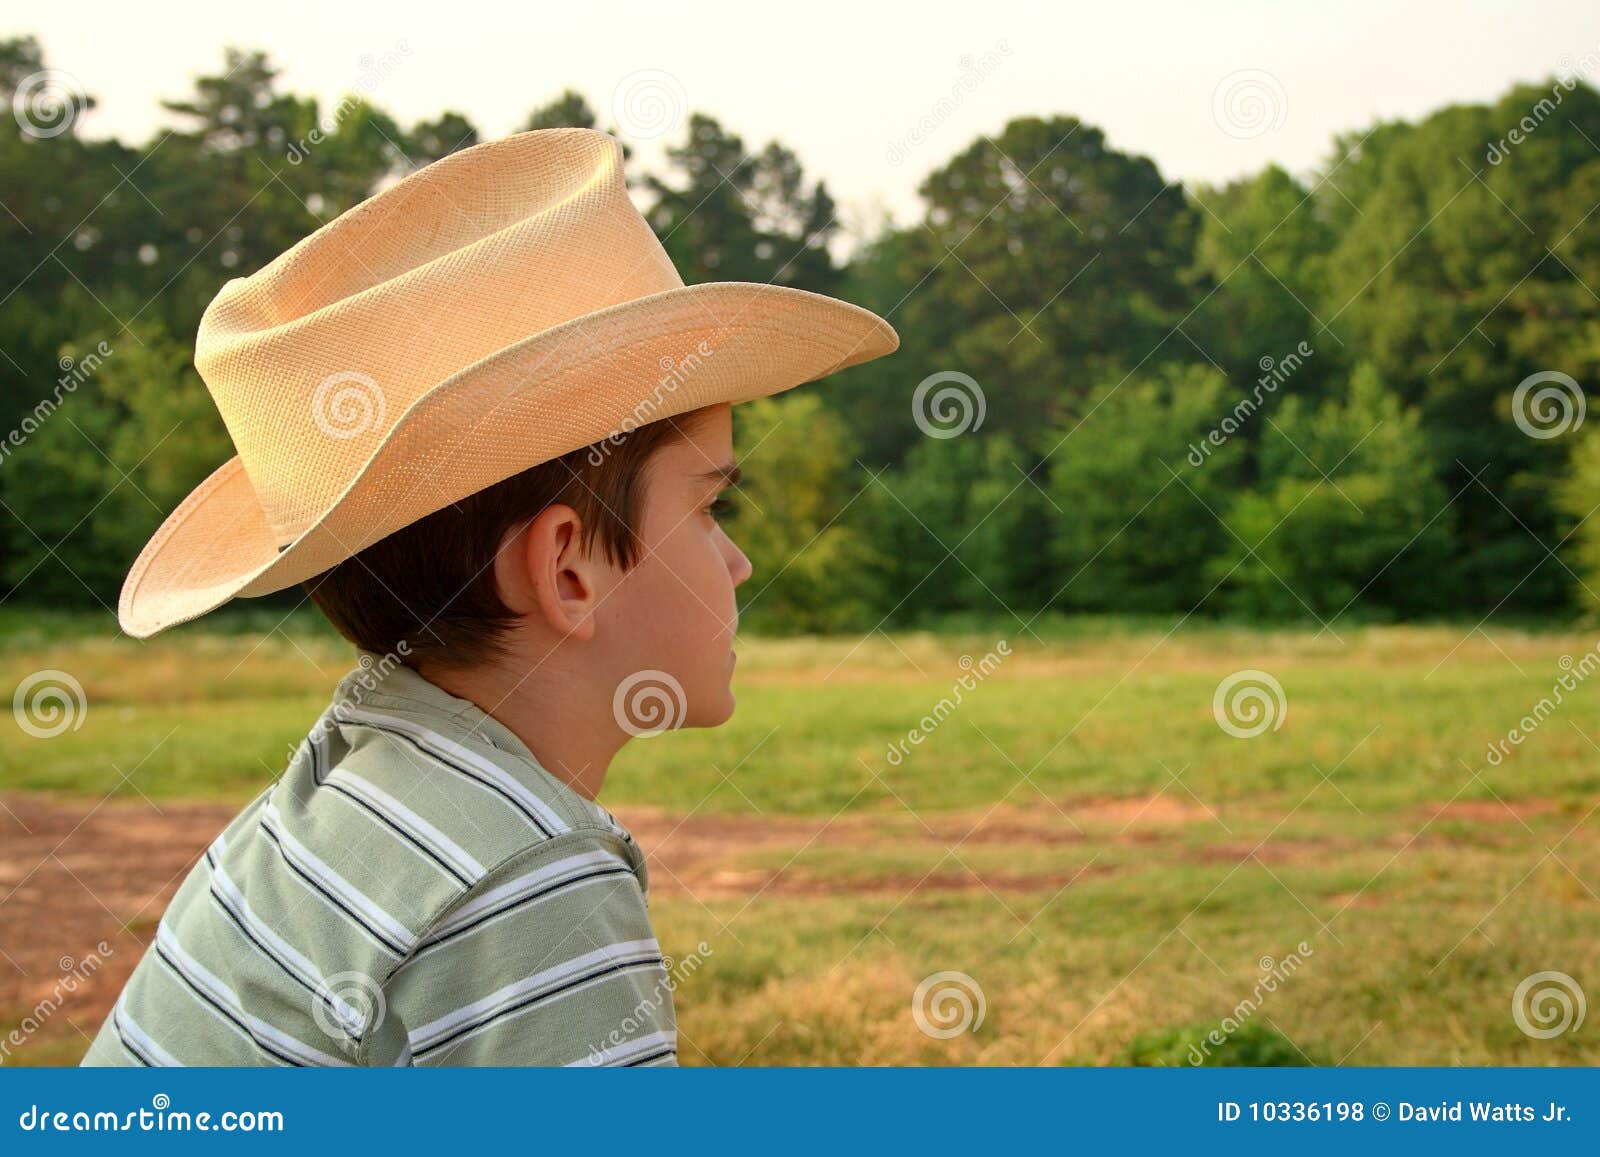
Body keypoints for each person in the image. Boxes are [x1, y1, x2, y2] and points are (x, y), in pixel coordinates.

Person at [82, 127, 897, 1066]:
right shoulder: (526, 885)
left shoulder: (343, 796)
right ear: (567, 570)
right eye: (713, 505)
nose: (741, 561)